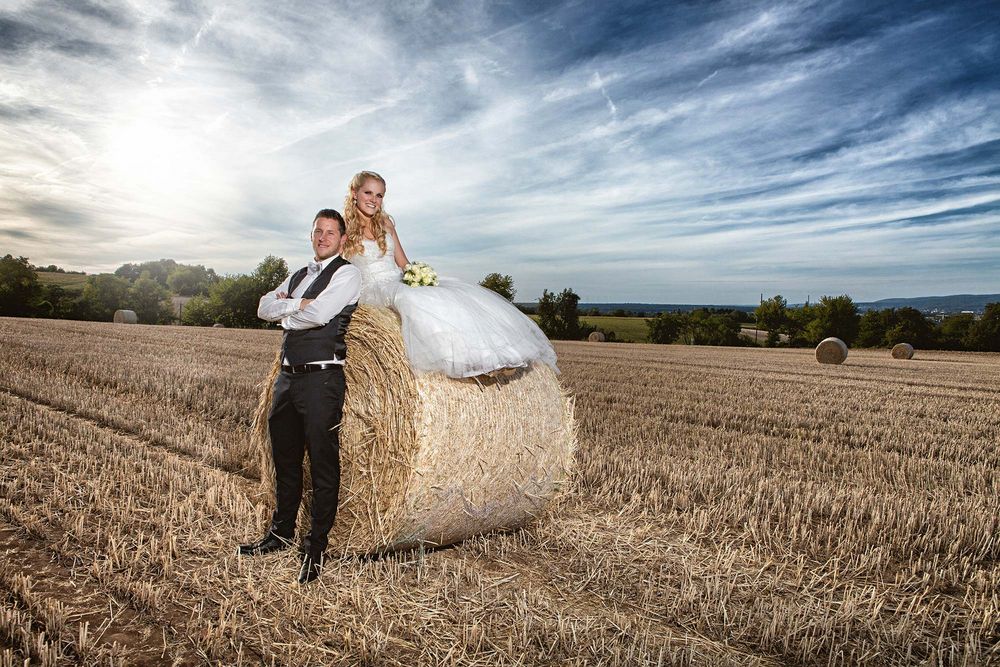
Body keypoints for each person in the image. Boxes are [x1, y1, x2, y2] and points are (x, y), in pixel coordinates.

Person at [238, 209, 361, 584]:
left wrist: (287, 311)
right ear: (311, 235)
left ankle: (315, 548)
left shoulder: (347, 274)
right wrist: (297, 305)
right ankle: (280, 534)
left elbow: (320, 315)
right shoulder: (298, 275)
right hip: (287, 378)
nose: (323, 237)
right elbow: (263, 307)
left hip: (322, 380)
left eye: (330, 232)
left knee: (323, 464)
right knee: (285, 459)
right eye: (318, 231)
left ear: (342, 239)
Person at [342, 171, 557, 378]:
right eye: (368, 193)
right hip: (372, 288)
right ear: (354, 193)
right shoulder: (343, 227)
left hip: (396, 279)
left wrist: (419, 276)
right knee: (410, 300)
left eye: (379, 195)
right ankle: (464, 361)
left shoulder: (386, 224)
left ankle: (490, 357)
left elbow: (402, 262)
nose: (374, 200)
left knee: (447, 296)